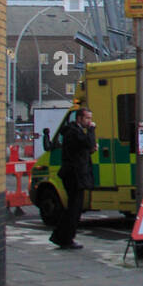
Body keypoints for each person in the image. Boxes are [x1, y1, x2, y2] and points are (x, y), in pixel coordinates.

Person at [51, 107, 96, 249]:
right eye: (87, 118)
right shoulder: (73, 132)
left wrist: (90, 149)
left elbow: (83, 147)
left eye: (90, 119)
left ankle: (62, 236)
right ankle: (65, 238)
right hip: (74, 175)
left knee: (74, 208)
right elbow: (87, 143)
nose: (90, 122)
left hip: (75, 173)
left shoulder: (74, 132)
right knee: (74, 209)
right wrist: (91, 130)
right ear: (79, 118)